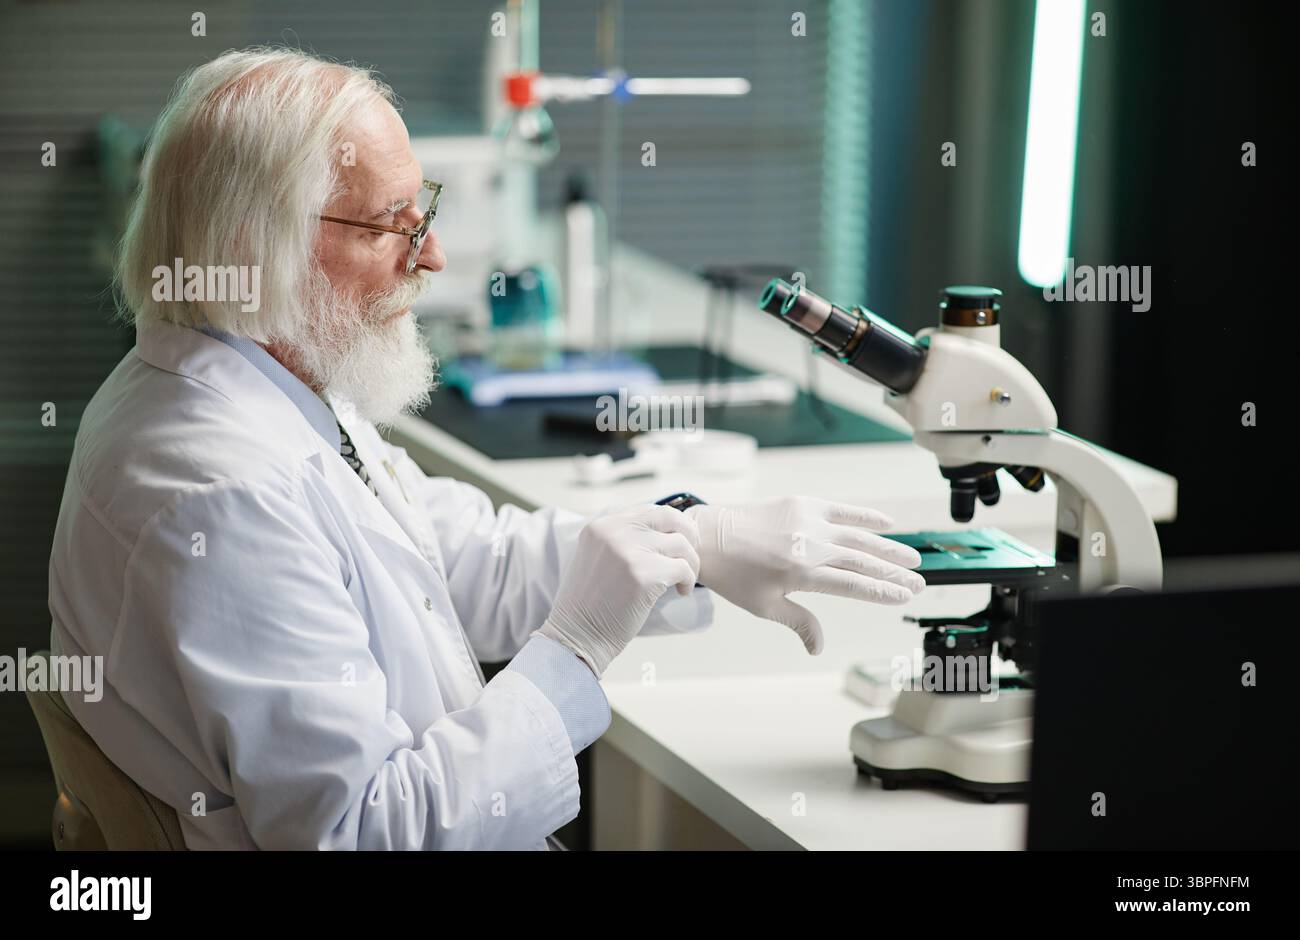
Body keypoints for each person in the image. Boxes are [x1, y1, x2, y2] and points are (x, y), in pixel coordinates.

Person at [47, 47, 924, 850]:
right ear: (256, 246)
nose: (430, 255)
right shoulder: (220, 490)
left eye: (422, 209)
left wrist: (694, 541)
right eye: (391, 223)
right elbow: (363, 835)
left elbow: (463, 559)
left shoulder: (257, 382)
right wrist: (574, 651)